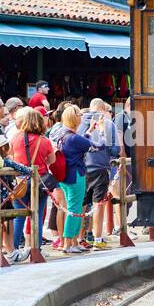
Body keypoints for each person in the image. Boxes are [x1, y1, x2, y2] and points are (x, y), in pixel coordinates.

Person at [8, 106, 56, 255]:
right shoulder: (45, 141)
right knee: (37, 215)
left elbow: (10, 156)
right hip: (39, 181)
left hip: (21, 181)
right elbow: (51, 160)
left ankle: (14, 249)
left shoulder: (15, 138)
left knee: (19, 216)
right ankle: (36, 249)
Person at [54, 104, 101, 253]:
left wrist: (89, 131)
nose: (81, 118)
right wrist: (101, 131)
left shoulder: (63, 136)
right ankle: (68, 242)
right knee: (75, 209)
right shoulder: (74, 138)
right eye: (79, 115)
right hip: (76, 176)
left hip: (65, 177)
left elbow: (82, 142)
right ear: (75, 119)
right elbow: (97, 146)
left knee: (72, 207)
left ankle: (73, 241)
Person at [80, 99, 120, 249]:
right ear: (103, 109)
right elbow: (116, 150)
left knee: (81, 205)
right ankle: (97, 239)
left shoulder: (79, 122)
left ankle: (79, 239)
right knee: (99, 205)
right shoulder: (109, 124)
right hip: (101, 168)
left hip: (82, 168)